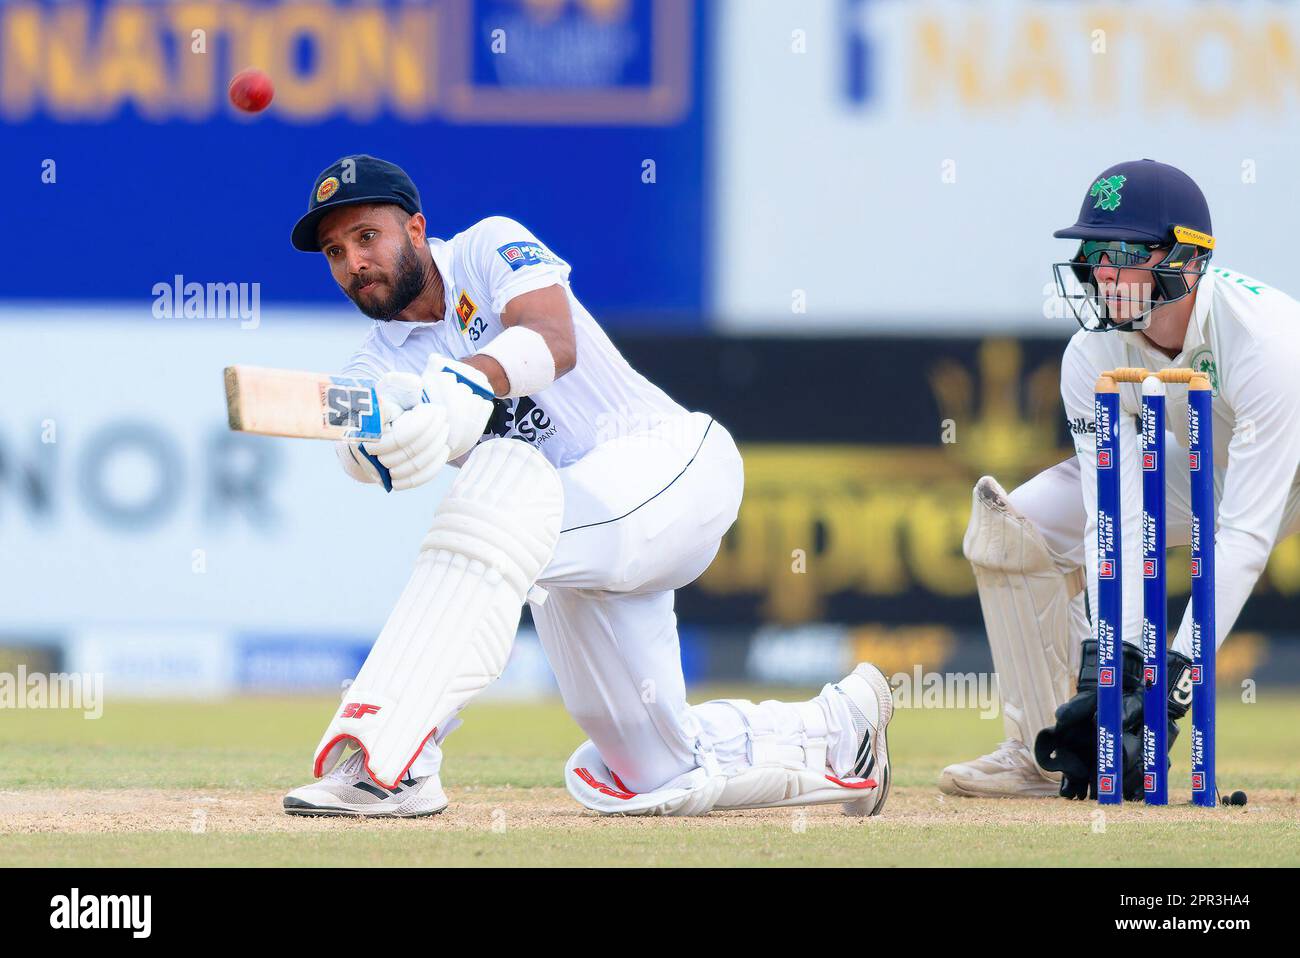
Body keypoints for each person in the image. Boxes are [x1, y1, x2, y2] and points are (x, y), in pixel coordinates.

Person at [279, 155, 895, 818]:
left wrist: (468, 379)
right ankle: (840, 729)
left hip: (665, 465)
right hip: (570, 540)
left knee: (496, 497)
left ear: (418, 228)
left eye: (366, 237)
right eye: (336, 252)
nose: (353, 264)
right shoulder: (376, 364)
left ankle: (390, 759)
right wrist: (370, 448)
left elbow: (552, 338)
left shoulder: (486, 248)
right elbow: (355, 434)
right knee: (654, 766)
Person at [943, 159, 1300, 799]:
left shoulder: (1266, 344)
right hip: (1201, 472)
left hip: (1282, 474)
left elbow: (1244, 534)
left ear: (1187, 261)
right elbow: (1122, 521)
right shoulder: (1091, 354)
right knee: (1009, 529)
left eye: (1125, 252)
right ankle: (1042, 753)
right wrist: (1122, 663)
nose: (1104, 272)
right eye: (1095, 252)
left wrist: (1173, 679)